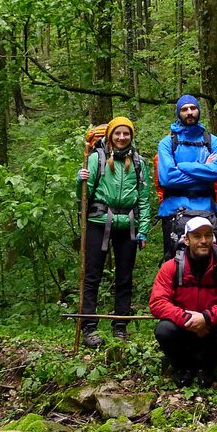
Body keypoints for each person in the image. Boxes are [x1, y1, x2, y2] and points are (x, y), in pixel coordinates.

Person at [77, 117, 151, 347]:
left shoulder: (139, 163)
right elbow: (83, 197)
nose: (122, 137)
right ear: (110, 136)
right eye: (117, 133)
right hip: (99, 221)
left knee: (125, 278)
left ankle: (120, 326)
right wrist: (79, 182)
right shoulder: (95, 159)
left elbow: (144, 199)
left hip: (128, 225)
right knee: (92, 276)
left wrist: (144, 229)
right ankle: (89, 326)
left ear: (131, 136)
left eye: (126, 134)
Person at [149, 216, 217, 388]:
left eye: (208, 235)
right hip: (182, 328)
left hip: (210, 329)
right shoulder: (172, 267)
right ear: (186, 239)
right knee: (164, 330)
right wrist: (186, 319)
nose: (204, 241)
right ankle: (184, 367)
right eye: (197, 236)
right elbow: (158, 302)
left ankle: (207, 367)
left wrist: (206, 317)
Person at [156, 95, 217, 261]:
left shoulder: (213, 142)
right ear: (178, 113)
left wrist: (184, 166)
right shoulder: (167, 143)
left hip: (206, 210)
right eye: (184, 109)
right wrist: (204, 170)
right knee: (175, 263)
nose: (189, 112)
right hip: (174, 211)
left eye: (193, 108)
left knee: (214, 261)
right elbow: (167, 178)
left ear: (199, 111)